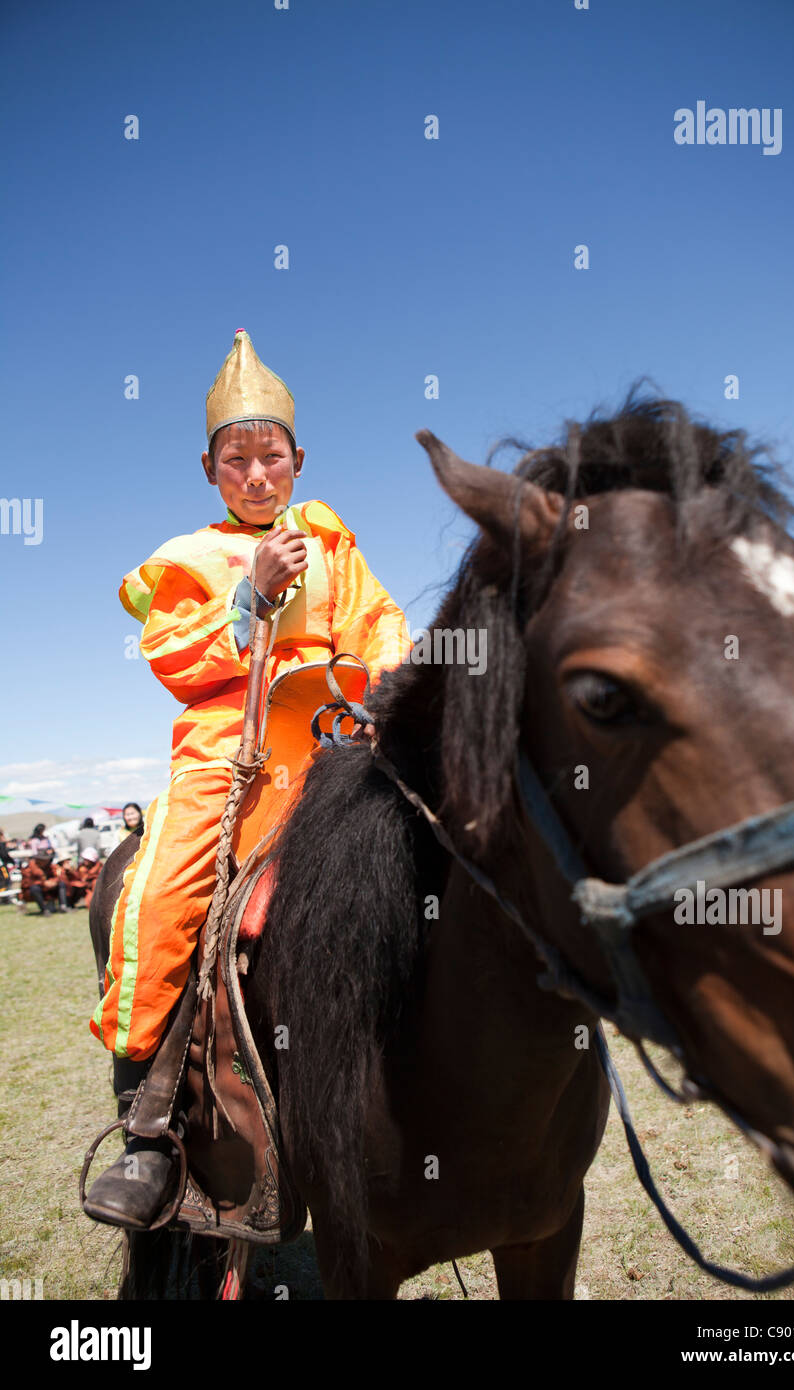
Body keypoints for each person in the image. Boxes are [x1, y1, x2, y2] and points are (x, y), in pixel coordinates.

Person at [85, 328, 410, 1228]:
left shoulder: (334, 542)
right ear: (210, 467)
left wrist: (379, 692)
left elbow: (382, 628)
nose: (257, 476)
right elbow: (173, 660)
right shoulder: (187, 558)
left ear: (298, 460)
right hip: (229, 753)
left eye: (272, 458)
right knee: (154, 905)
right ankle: (148, 1135)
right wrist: (253, 597)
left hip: (337, 741)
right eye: (238, 461)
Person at [21, 848, 69, 914]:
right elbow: (26, 883)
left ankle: (63, 906)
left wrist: (53, 882)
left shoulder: (50, 867)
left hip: (49, 890)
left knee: (62, 884)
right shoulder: (29, 868)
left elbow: (58, 876)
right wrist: (43, 883)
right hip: (34, 892)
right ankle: (44, 910)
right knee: (34, 888)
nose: (46, 861)